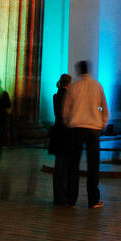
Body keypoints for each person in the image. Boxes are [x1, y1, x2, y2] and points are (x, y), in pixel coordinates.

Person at [63, 60, 109, 209]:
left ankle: (71, 199)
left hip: (76, 128)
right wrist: (102, 122)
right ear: (89, 70)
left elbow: (66, 109)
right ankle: (93, 200)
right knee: (93, 165)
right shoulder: (97, 86)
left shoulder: (74, 87)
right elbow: (103, 106)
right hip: (93, 128)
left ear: (79, 71)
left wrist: (68, 121)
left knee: (73, 164)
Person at [49, 74, 75, 205]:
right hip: (65, 134)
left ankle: (57, 196)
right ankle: (62, 196)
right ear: (68, 83)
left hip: (56, 132)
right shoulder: (68, 97)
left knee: (58, 165)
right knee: (64, 167)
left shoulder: (55, 96)